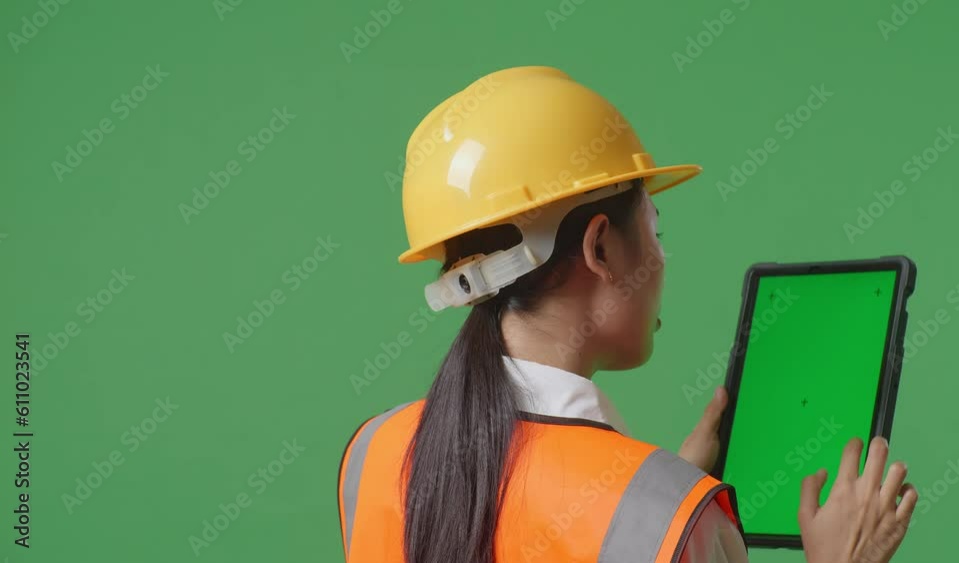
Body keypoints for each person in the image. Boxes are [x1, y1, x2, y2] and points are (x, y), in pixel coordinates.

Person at [338, 66, 918, 563]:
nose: (662, 258)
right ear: (601, 248)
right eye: (655, 229)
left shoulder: (372, 452)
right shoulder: (672, 519)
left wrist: (661, 490)